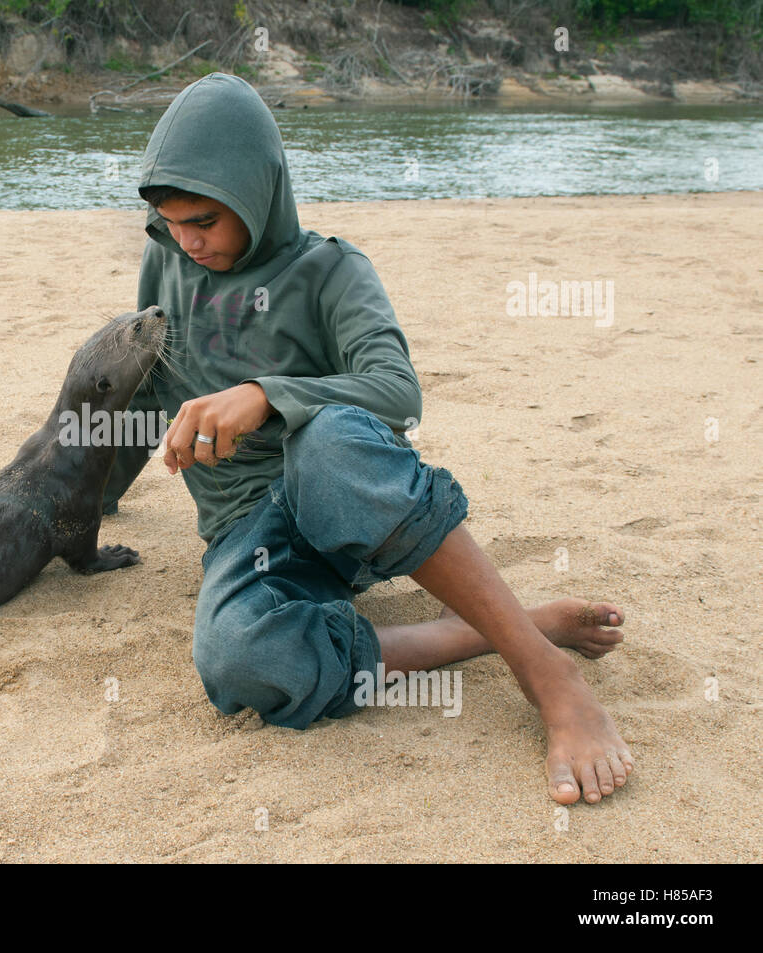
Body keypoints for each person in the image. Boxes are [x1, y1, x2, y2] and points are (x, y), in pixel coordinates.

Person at [101, 73, 634, 805]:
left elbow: (397, 393)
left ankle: (544, 669)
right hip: (244, 533)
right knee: (237, 662)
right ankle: (469, 631)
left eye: (203, 221)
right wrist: (89, 502)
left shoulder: (331, 271)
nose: (186, 241)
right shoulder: (169, 257)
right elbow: (148, 375)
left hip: (342, 504)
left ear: (259, 192)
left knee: (326, 440)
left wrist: (267, 396)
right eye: (169, 223)